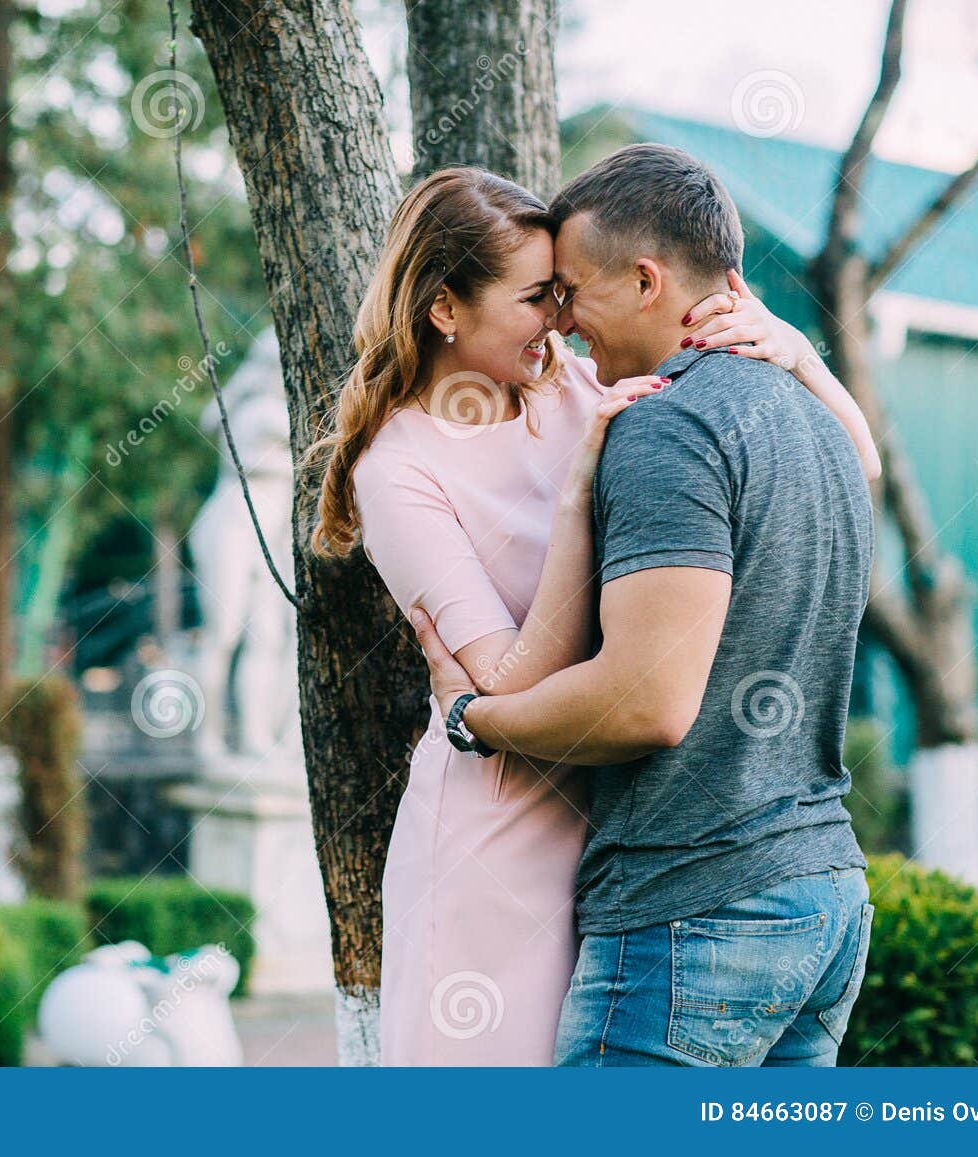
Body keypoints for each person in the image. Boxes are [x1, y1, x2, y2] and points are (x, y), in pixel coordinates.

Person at [308, 157, 878, 1065]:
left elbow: (852, 469)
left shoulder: (576, 387)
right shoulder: (399, 467)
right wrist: (578, 506)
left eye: (565, 295)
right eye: (539, 297)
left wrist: (796, 350)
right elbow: (507, 685)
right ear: (445, 309)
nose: (561, 321)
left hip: (625, 829)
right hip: (506, 829)